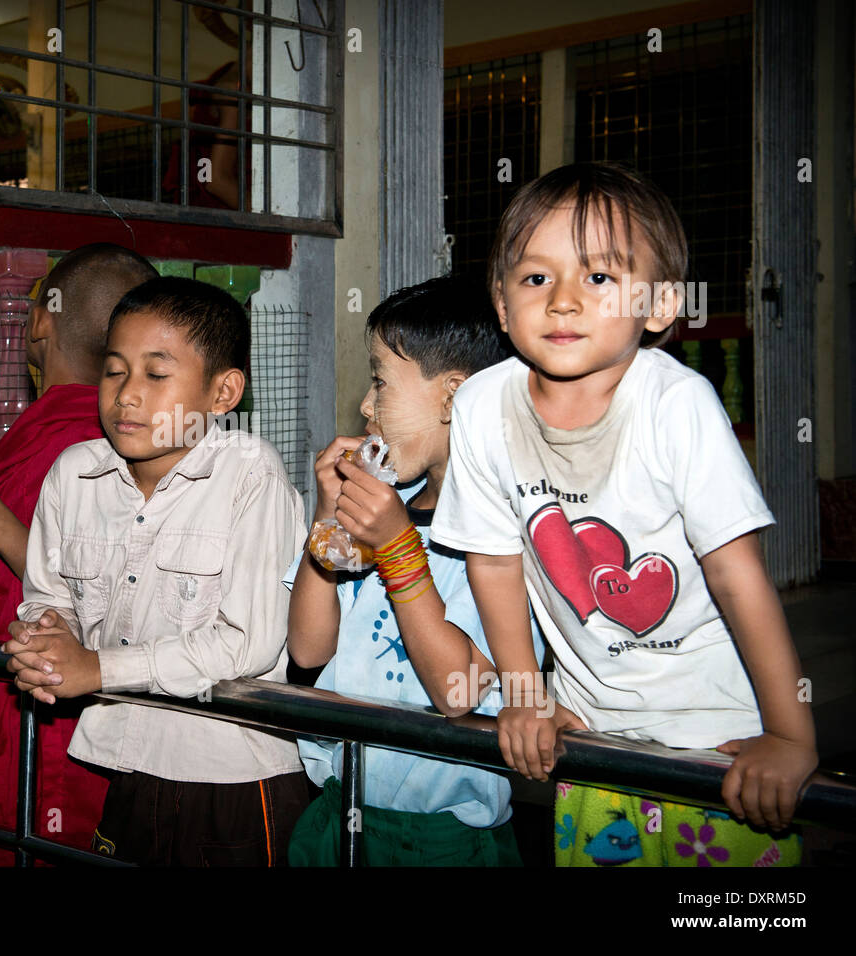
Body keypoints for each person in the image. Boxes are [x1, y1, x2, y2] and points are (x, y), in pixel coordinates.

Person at [431, 162, 816, 866]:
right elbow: (493, 561)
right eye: (536, 278)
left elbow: (737, 575)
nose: (564, 301)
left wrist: (789, 735)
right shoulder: (485, 405)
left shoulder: (677, 405)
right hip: (593, 734)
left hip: (719, 737)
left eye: (599, 278)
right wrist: (525, 697)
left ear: (662, 303)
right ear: (501, 302)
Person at [3, 276, 308, 865]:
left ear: (223, 393)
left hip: (233, 780)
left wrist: (96, 667)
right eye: (114, 370)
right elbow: (48, 594)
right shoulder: (74, 474)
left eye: (156, 374)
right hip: (129, 763)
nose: (127, 395)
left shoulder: (251, 475)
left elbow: (244, 647)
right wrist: (42, 638)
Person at [0, 242, 157, 865]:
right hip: (5, 691)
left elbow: (90, 594)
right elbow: (1, 566)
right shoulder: (49, 427)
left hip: (53, 712)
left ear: (40, 319)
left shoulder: (98, 446)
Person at [285, 277, 537, 866]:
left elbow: (460, 690)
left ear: (453, 397)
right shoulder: (389, 503)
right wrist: (328, 522)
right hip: (337, 802)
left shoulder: (505, 532)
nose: (366, 406)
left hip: (443, 838)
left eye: (379, 380)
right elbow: (307, 649)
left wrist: (399, 546)